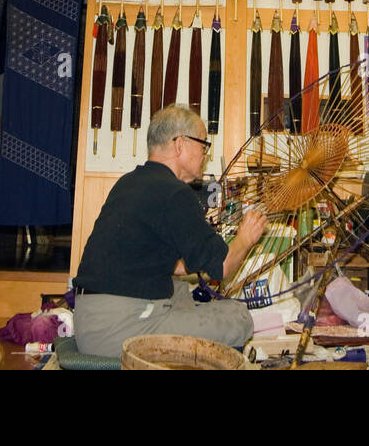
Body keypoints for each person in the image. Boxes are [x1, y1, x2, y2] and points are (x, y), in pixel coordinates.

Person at [72, 104, 267, 357]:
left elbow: (161, 261)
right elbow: (225, 265)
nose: (204, 154)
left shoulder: (129, 182)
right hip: (117, 328)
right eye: (203, 145)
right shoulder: (174, 193)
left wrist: (196, 259)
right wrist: (246, 237)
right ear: (180, 145)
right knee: (237, 317)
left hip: (89, 319)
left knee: (181, 292)